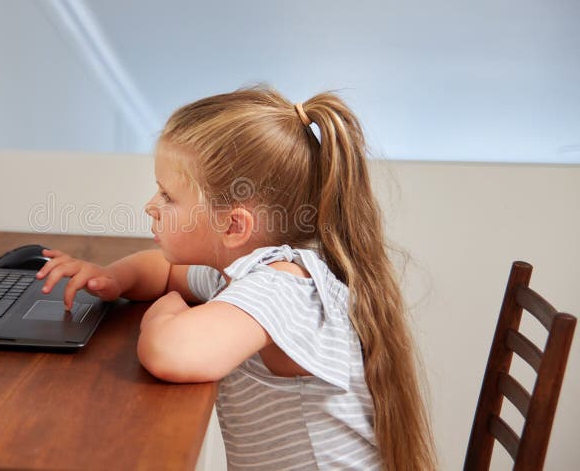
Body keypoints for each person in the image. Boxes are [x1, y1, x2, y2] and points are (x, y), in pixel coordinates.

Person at [35, 86, 436, 470]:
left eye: (168, 196)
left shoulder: (282, 287)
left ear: (233, 226)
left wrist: (166, 309)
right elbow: (166, 270)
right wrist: (112, 277)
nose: (150, 206)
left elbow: (169, 351)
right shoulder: (245, 271)